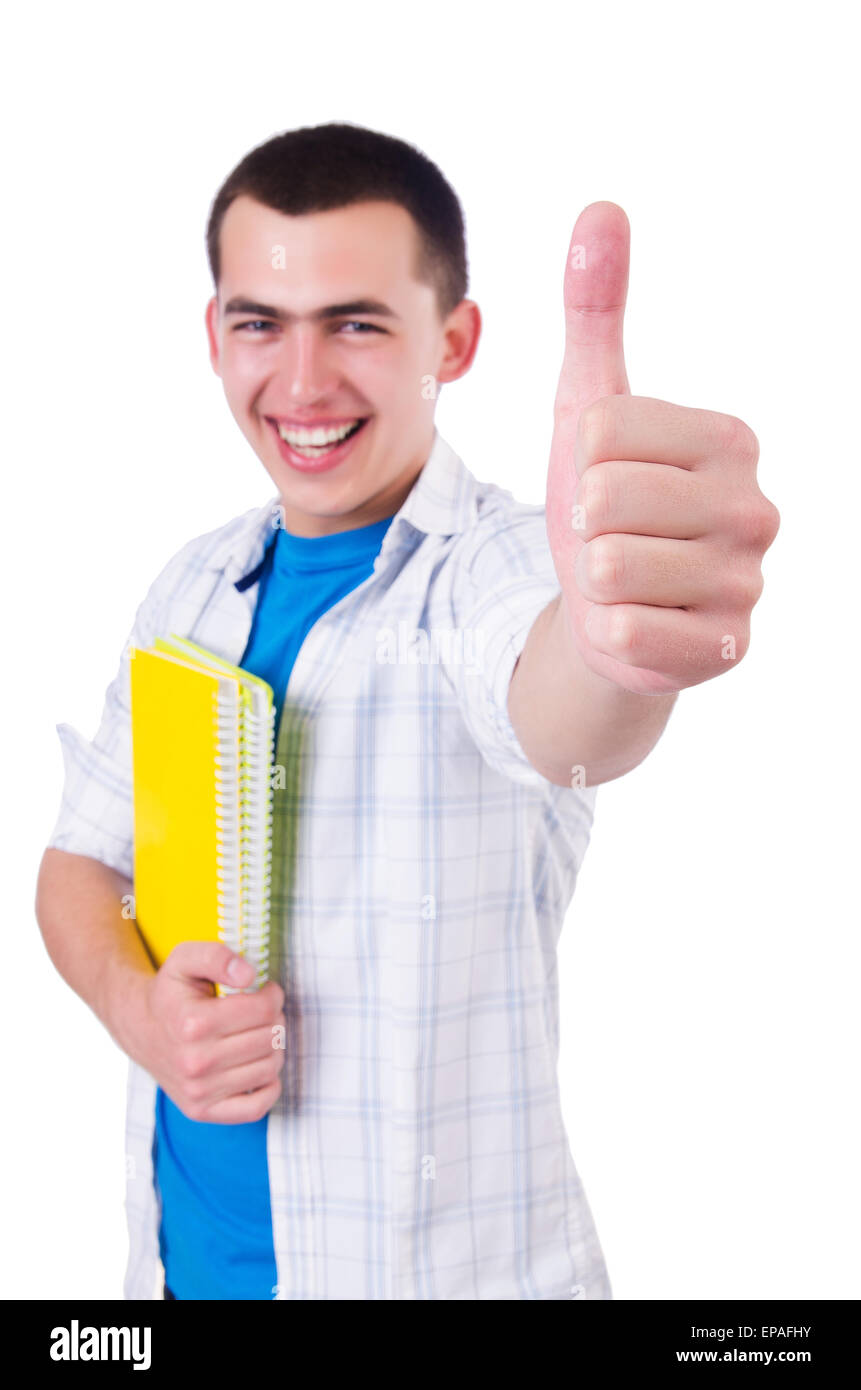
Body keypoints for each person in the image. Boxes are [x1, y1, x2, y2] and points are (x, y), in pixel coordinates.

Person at [34, 122, 779, 1301]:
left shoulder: (493, 568)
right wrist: (141, 1012)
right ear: (214, 335)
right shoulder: (191, 587)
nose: (302, 383)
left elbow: (559, 704)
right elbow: (81, 862)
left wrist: (613, 639)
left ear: (454, 341)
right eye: (262, 323)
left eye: (358, 324)